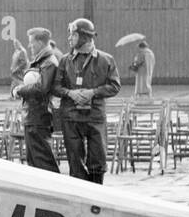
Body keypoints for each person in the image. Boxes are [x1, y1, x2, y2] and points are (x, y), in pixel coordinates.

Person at [54, 18, 121, 184]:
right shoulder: (65, 60)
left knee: (98, 161)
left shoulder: (106, 60)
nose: (69, 38)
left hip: (95, 117)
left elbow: (114, 85)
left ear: (84, 37)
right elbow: (55, 86)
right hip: (71, 117)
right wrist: (70, 93)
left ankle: (96, 194)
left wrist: (94, 92)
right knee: (75, 161)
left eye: (73, 34)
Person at [12, 27, 61, 173]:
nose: (29, 46)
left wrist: (19, 90)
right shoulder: (42, 61)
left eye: (31, 42)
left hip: (39, 117)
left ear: (40, 42)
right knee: (35, 161)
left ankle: (54, 191)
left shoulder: (48, 62)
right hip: (34, 116)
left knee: (43, 162)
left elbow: (41, 88)